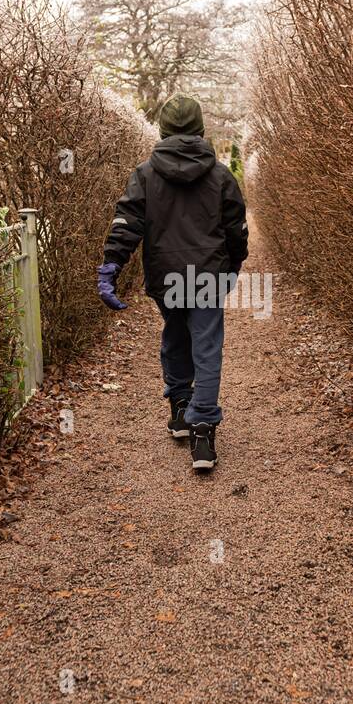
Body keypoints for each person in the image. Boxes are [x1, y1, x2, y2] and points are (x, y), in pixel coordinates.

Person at [96, 94, 248, 471]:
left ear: (163, 129)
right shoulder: (220, 175)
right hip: (208, 273)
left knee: (176, 336)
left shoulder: (145, 174)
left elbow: (127, 222)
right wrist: (232, 266)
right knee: (207, 348)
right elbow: (236, 230)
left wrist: (111, 266)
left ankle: (181, 408)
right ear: (199, 129)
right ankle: (202, 429)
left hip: (166, 274)